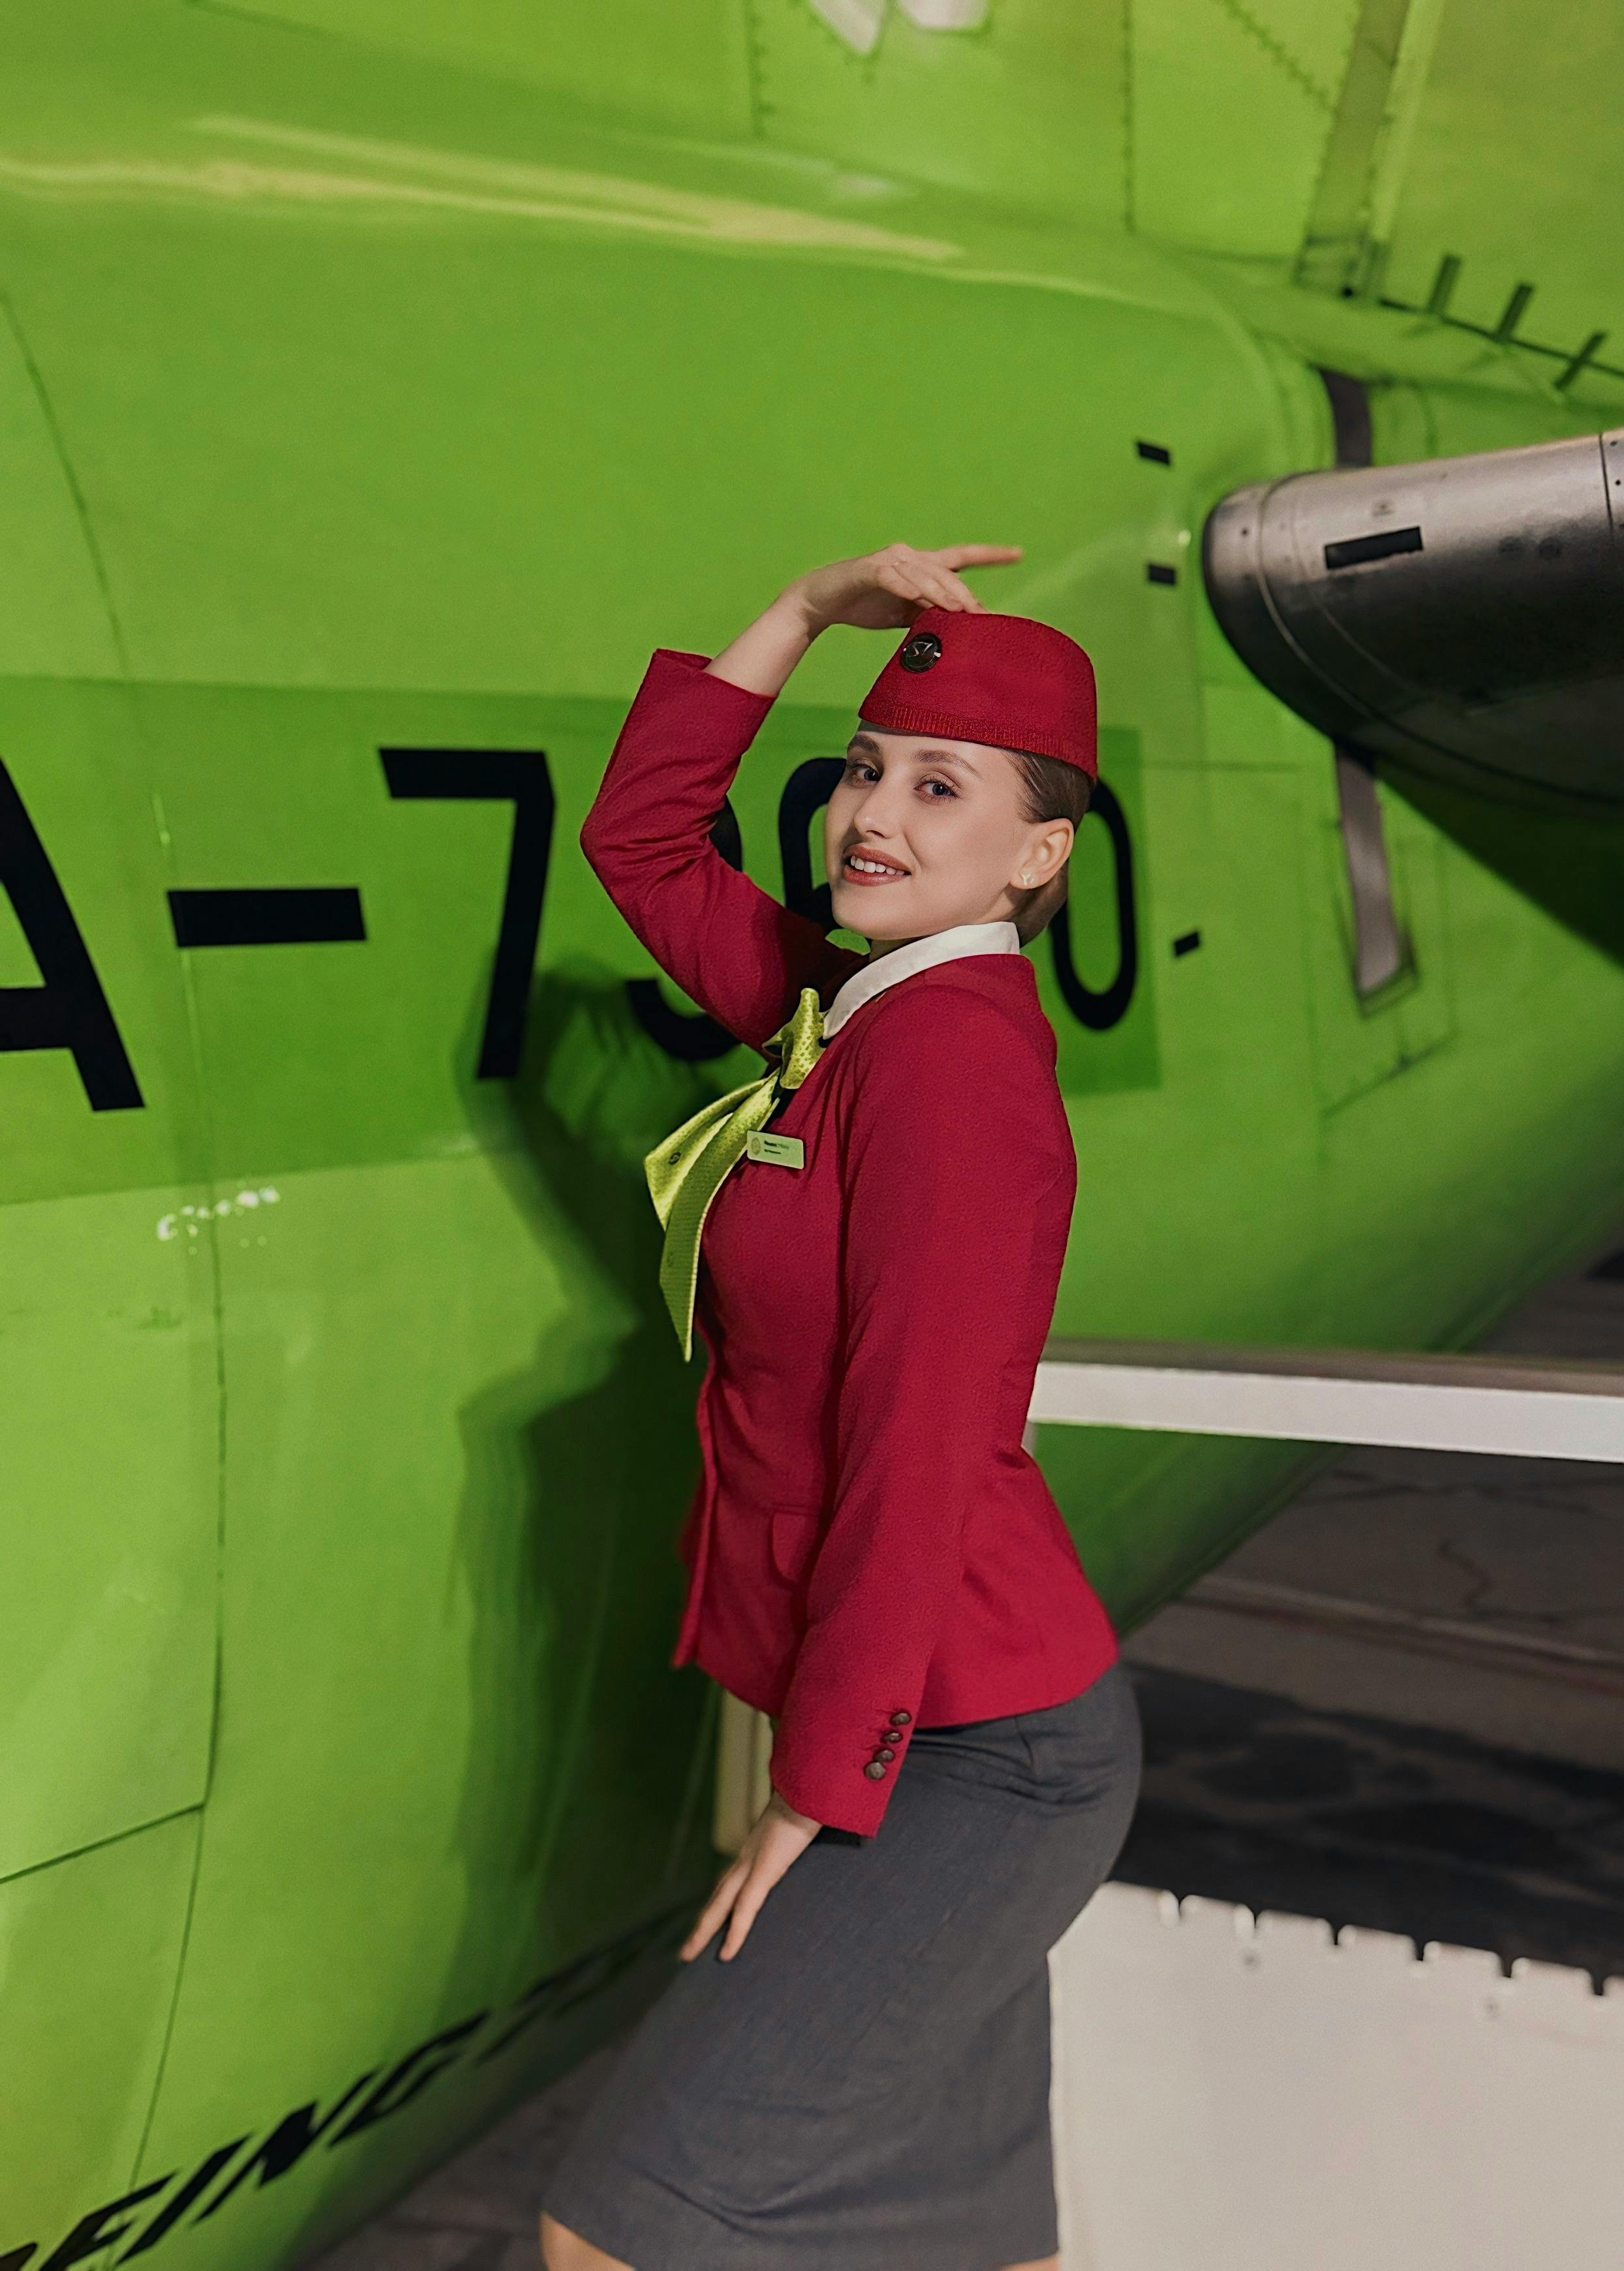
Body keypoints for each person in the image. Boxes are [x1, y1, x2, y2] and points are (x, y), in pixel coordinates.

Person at [540, 542, 1141, 2271]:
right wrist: (803, 613)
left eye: (940, 786)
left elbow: (916, 1463)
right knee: (970, 2244)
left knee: (621, 2232)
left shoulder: (952, 1073)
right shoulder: (851, 1012)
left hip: (974, 1752)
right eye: (866, 767)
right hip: (936, 1720)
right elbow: (643, 843)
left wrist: (811, 1792)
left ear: (1035, 855)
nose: (870, 813)